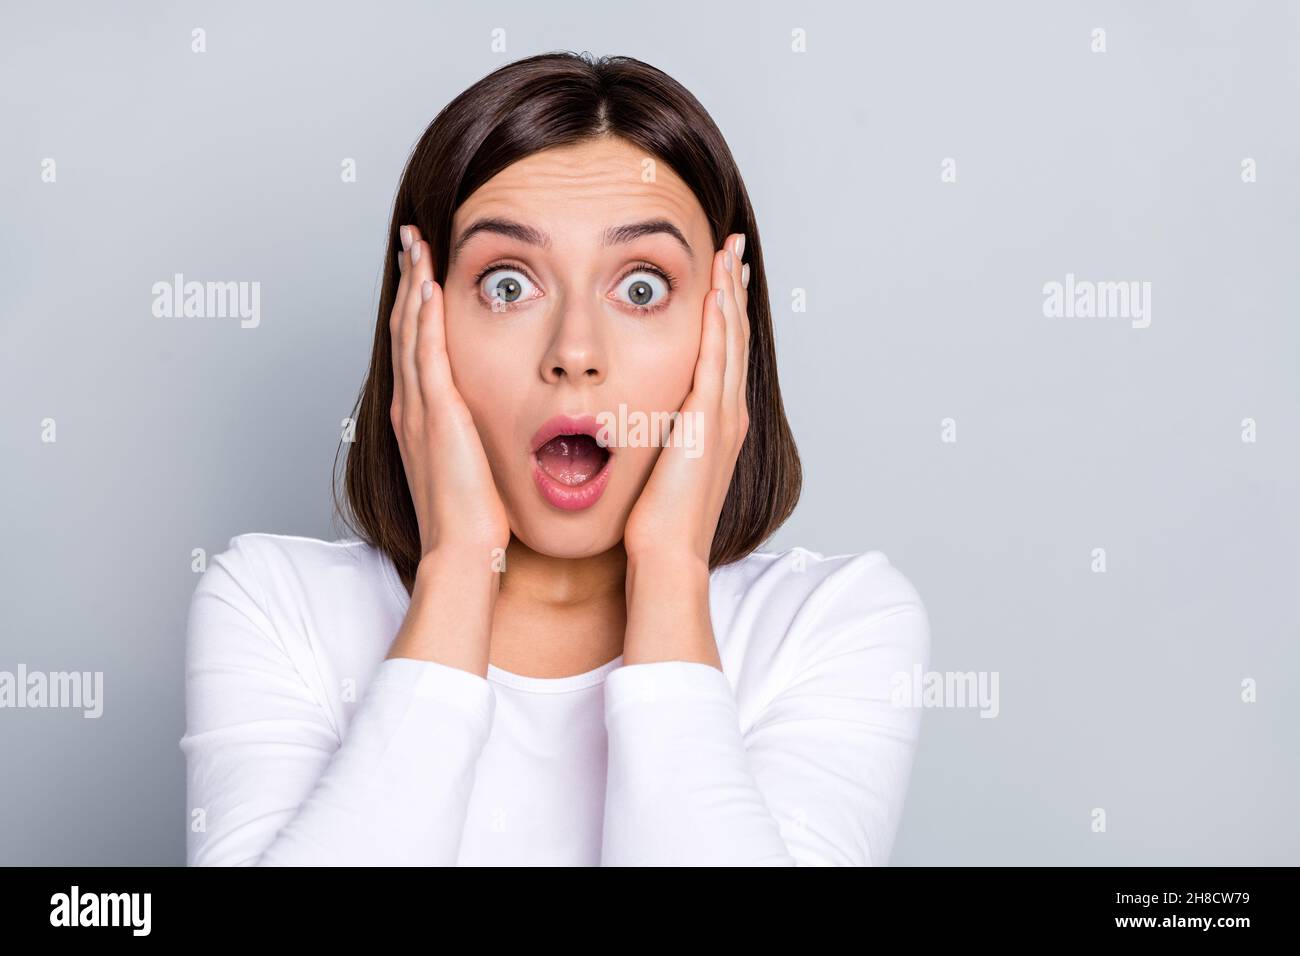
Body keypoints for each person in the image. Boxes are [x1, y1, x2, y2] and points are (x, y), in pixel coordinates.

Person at [179, 51, 930, 866]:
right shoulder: (273, 607)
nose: (575, 352)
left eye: (641, 288)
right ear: (417, 325)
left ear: (727, 332)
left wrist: (672, 570)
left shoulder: (833, 626)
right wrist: (460, 565)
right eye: (507, 285)